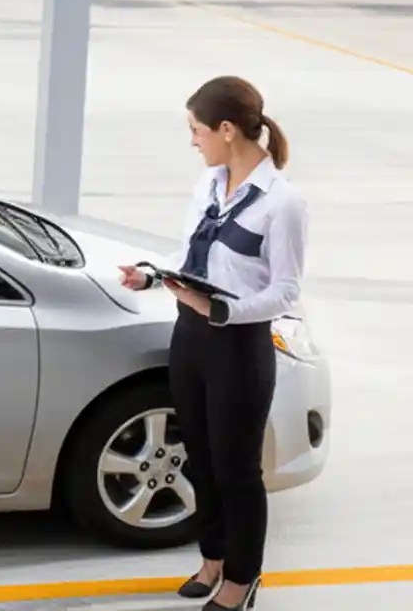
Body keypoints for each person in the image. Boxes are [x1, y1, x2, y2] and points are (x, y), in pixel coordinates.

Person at [119, 76, 308, 611]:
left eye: (196, 130)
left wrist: (223, 310)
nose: (193, 141)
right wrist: (153, 278)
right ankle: (213, 558)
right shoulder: (207, 185)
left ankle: (242, 578)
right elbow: (193, 260)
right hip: (191, 334)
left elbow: (286, 290)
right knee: (199, 460)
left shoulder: (283, 202)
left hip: (239, 346)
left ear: (226, 130)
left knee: (236, 469)